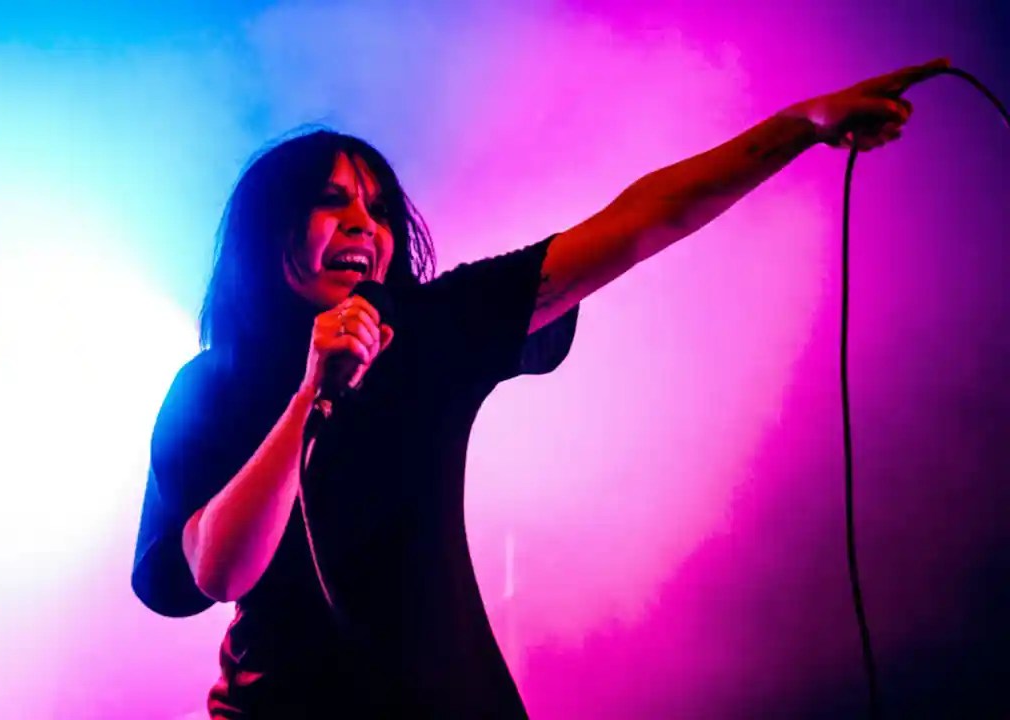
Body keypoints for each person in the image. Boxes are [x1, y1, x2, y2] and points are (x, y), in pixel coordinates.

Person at [132, 58, 949, 718]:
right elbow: (217, 572)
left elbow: (638, 223)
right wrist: (313, 389)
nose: (363, 225)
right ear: (266, 230)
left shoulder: (429, 329)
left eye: (377, 210)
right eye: (331, 202)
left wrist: (796, 128)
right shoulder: (211, 389)